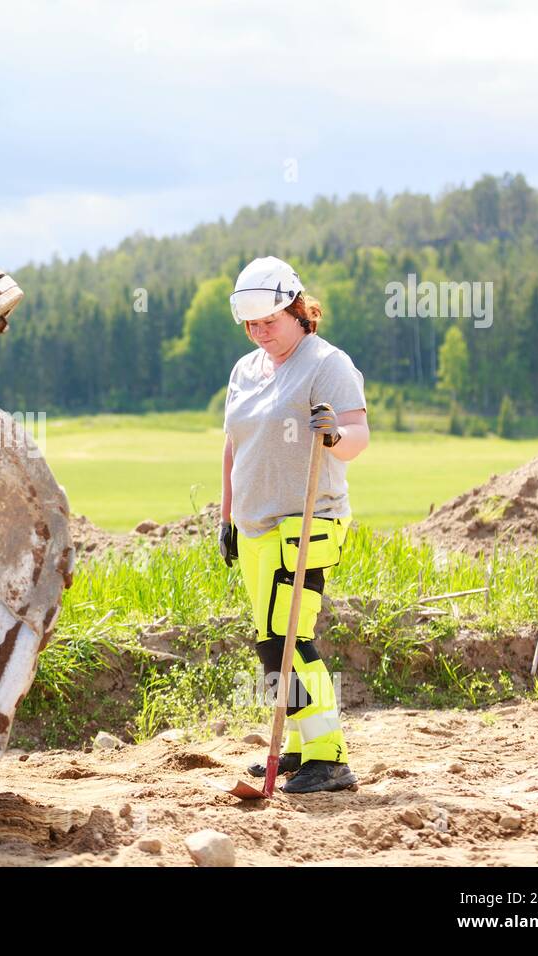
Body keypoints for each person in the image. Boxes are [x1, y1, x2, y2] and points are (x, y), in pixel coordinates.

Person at [217, 256, 370, 794]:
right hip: (254, 523)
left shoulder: (327, 363)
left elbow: (356, 438)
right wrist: (227, 514)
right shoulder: (245, 369)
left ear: (299, 311)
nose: (260, 333)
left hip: (307, 521)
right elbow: (234, 445)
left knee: (288, 639)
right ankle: (301, 745)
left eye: (270, 322)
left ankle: (329, 757)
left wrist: (332, 435)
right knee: (269, 638)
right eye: (251, 325)